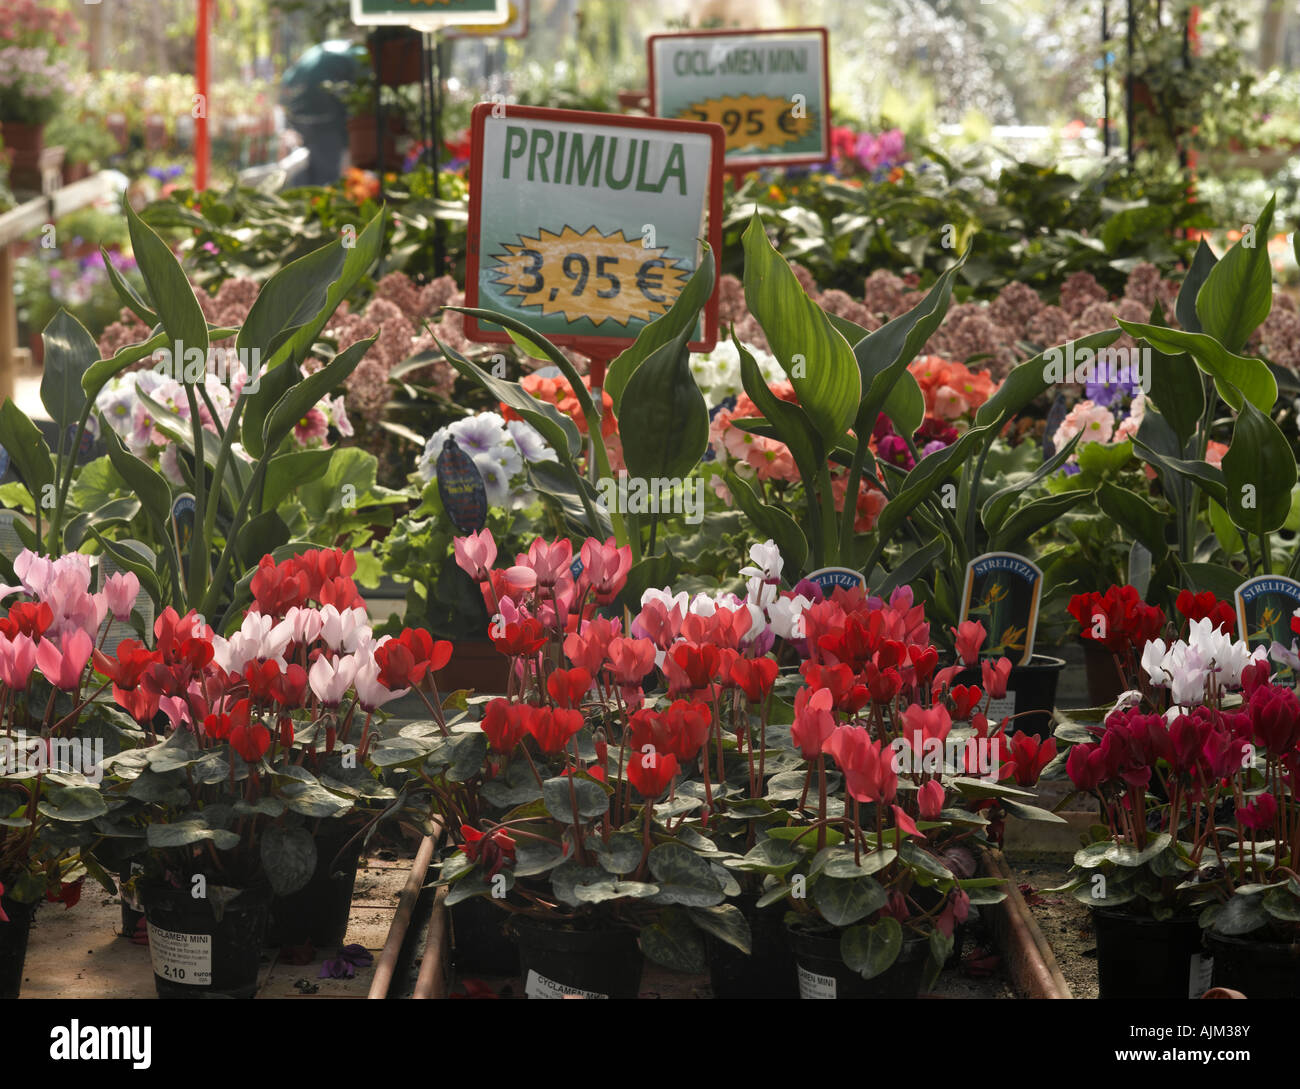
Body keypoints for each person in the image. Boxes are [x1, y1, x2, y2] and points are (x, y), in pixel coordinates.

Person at [281, 40, 363, 186]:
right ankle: (317, 200)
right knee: (326, 171)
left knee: (315, 162)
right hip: (326, 118)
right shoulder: (355, 55)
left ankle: (300, 196)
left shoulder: (319, 51)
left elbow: (287, 81)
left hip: (301, 115)